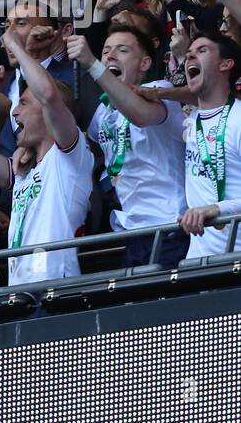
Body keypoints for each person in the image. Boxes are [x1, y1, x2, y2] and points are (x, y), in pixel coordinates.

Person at [0, 29, 94, 284]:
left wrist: (12, 42)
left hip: (57, 289)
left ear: (47, 112)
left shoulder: (70, 157)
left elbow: (49, 93)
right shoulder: (24, 170)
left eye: (23, 104)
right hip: (21, 292)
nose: (14, 113)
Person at [65, 23, 190, 265]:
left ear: (144, 64)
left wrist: (92, 64)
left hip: (169, 226)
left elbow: (140, 115)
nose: (110, 56)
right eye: (105, 51)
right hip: (129, 232)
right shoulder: (102, 114)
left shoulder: (161, 90)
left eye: (122, 50)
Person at [177, 31, 241, 256]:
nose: (190, 57)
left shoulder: (239, 119)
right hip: (199, 259)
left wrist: (217, 209)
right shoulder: (190, 119)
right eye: (188, 53)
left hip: (236, 258)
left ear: (226, 64)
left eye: (202, 51)